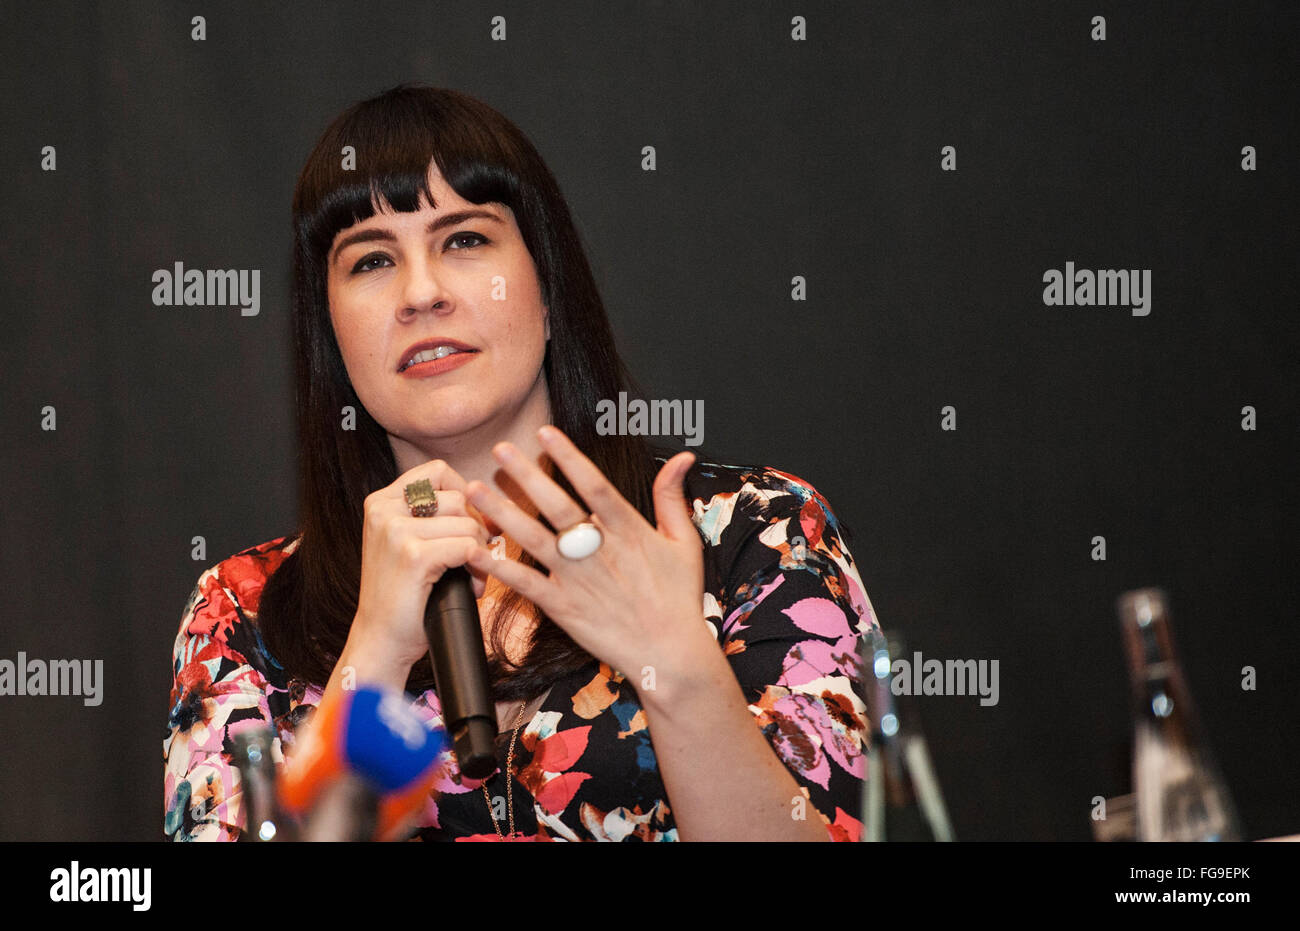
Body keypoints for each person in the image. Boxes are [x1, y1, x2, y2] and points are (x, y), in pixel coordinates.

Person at [164, 83, 881, 842]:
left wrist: (676, 667)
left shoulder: (755, 534)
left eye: (465, 240)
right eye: (371, 259)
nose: (422, 293)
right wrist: (371, 654)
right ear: (330, 331)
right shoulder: (243, 610)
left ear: (546, 287)